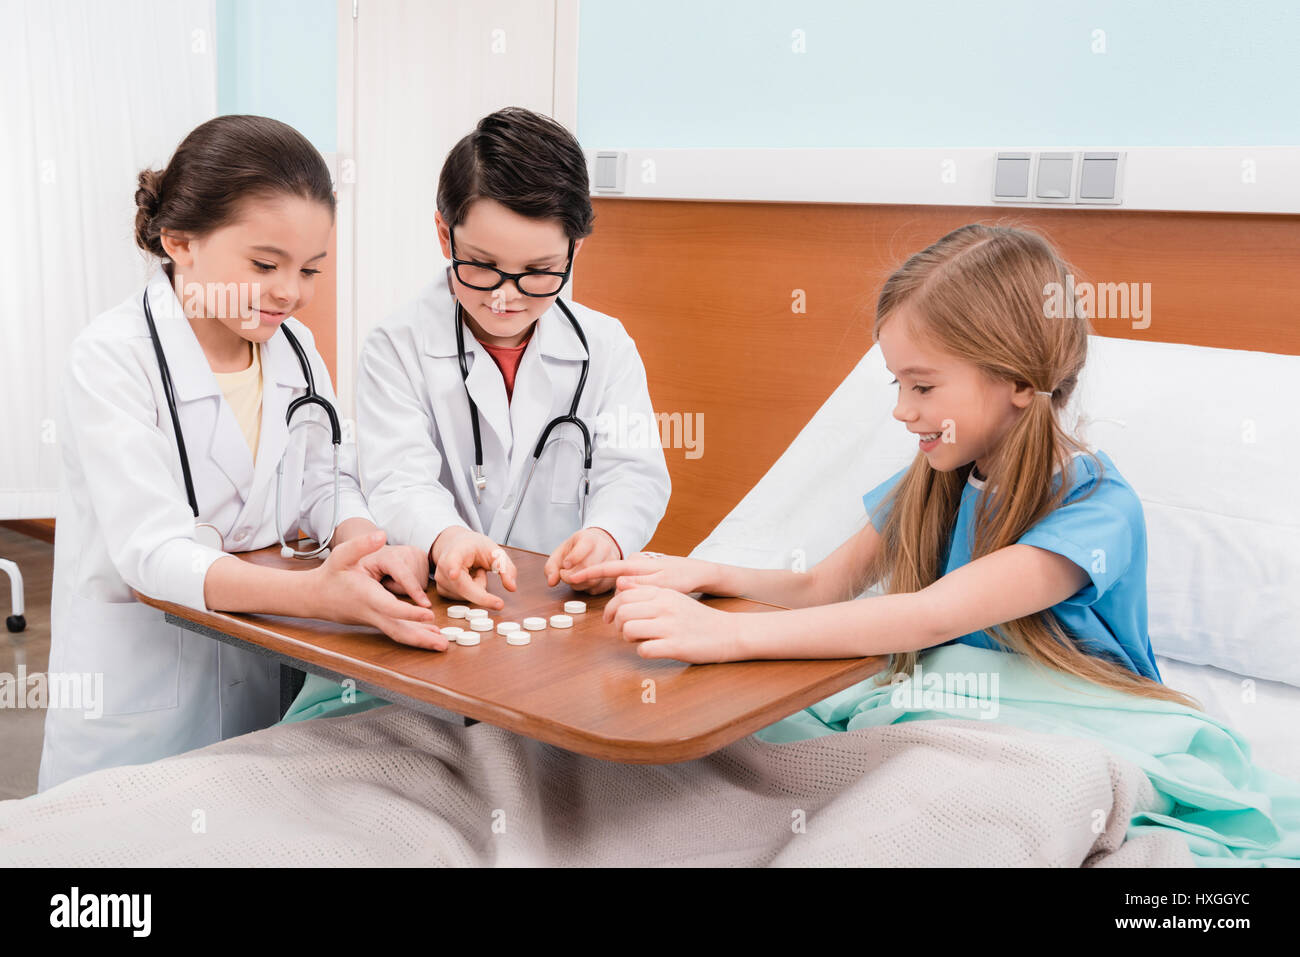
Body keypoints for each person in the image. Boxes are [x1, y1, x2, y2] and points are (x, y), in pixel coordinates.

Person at [571, 224, 1199, 711]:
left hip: (1075, 719)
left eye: (921, 387)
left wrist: (725, 637)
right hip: (962, 709)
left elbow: (928, 615)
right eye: (897, 384)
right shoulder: (940, 480)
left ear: (1014, 378)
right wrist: (704, 573)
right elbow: (821, 589)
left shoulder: (1095, 510)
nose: (902, 411)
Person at [38, 116, 443, 792]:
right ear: (180, 241)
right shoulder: (113, 358)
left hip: (255, 690)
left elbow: (329, 482)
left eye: (310, 269)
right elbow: (154, 552)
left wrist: (366, 544)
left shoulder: (296, 351)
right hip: (139, 705)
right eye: (265, 264)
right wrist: (316, 593)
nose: (291, 291)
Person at [281, 107, 671, 722]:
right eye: (483, 266)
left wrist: (608, 534)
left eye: (541, 273)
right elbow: (397, 477)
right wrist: (446, 537)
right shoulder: (398, 344)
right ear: (445, 236)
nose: (506, 296)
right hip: (437, 617)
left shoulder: (607, 346)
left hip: (557, 624)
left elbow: (634, 472)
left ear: (574, 249)